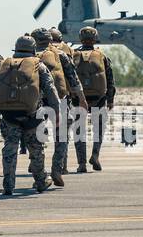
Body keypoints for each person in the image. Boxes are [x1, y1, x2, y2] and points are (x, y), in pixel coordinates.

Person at [0, 35, 58, 195]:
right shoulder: (38, 65)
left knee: (10, 148)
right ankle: (41, 181)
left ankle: (8, 184)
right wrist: (57, 112)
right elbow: (50, 90)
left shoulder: (6, 64)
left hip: (8, 115)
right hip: (32, 115)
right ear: (33, 49)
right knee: (36, 149)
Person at [31, 27, 88, 187]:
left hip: (35, 103)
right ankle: (57, 169)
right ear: (50, 39)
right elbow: (73, 78)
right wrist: (82, 99)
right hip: (60, 100)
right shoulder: (60, 54)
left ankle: (40, 174)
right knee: (62, 137)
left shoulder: (29, 57)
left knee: (36, 140)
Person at [72, 26, 116, 172]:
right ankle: (95, 155)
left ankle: (82, 164)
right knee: (98, 129)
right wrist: (110, 99)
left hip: (79, 99)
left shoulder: (74, 55)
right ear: (95, 38)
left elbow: (69, 78)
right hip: (99, 98)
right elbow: (110, 78)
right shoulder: (102, 56)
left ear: (80, 38)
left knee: (79, 131)